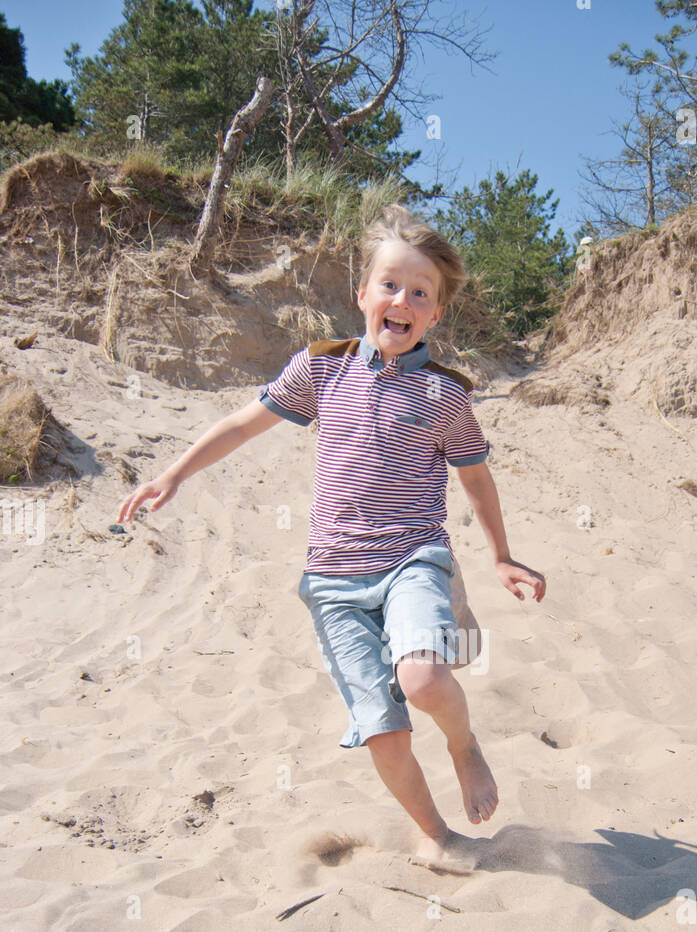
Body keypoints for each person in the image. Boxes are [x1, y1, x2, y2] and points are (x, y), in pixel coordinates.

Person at [117, 203, 546, 873]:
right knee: (384, 730)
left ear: (435, 315)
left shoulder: (445, 397)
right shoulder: (321, 370)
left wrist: (500, 556)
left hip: (413, 560)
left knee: (426, 679)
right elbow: (241, 424)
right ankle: (437, 834)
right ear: (363, 294)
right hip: (332, 582)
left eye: (420, 293)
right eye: (390, 285)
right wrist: (174, 474)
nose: (402, 300)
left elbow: (476, 480)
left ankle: (465, 748)